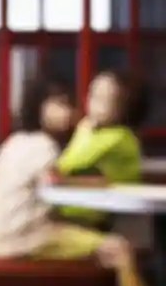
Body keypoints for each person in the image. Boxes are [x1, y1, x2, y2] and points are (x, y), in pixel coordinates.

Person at [0, 78, 157, 286]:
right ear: (38, 106)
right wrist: (99, 183)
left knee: (95, 242)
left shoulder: (15, 142)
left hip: (0, 238)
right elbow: (56, 180)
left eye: (69, 105)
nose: (68, 113)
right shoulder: (43, 146)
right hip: (28, 237)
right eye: (58, 104)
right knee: (120, 249)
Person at [53, 70, 149, 228]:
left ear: (123, 105)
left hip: (103, 219)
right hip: (82, 211)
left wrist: (83, 131)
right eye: (92, 95)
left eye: (104, 98)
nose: (93, 104)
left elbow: (67, 164)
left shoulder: (120, 137)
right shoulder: (97, 133)